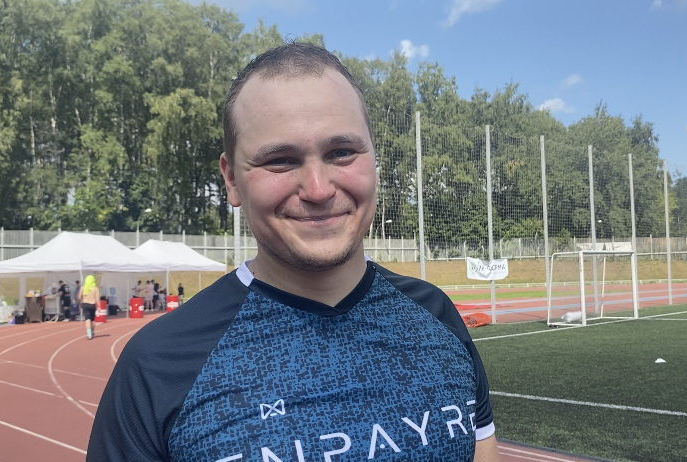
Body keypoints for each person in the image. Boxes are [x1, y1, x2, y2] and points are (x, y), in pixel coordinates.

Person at [88, 42, 500, 461]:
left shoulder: (435, 314)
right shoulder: (157, 365)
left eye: (342, 152)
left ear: (374, 159)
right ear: (231, 180)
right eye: (281, 160)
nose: (318, 189)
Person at [80, 275, 101, 340]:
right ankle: (92, 331)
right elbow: (97, 299)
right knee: (92, 320)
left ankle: (89, 334)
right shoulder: (95, 289)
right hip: (92, 304)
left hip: (85, 304)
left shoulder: (83, 288)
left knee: (87, 319)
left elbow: (79, 297)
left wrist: (80, 303)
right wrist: (99, 306)